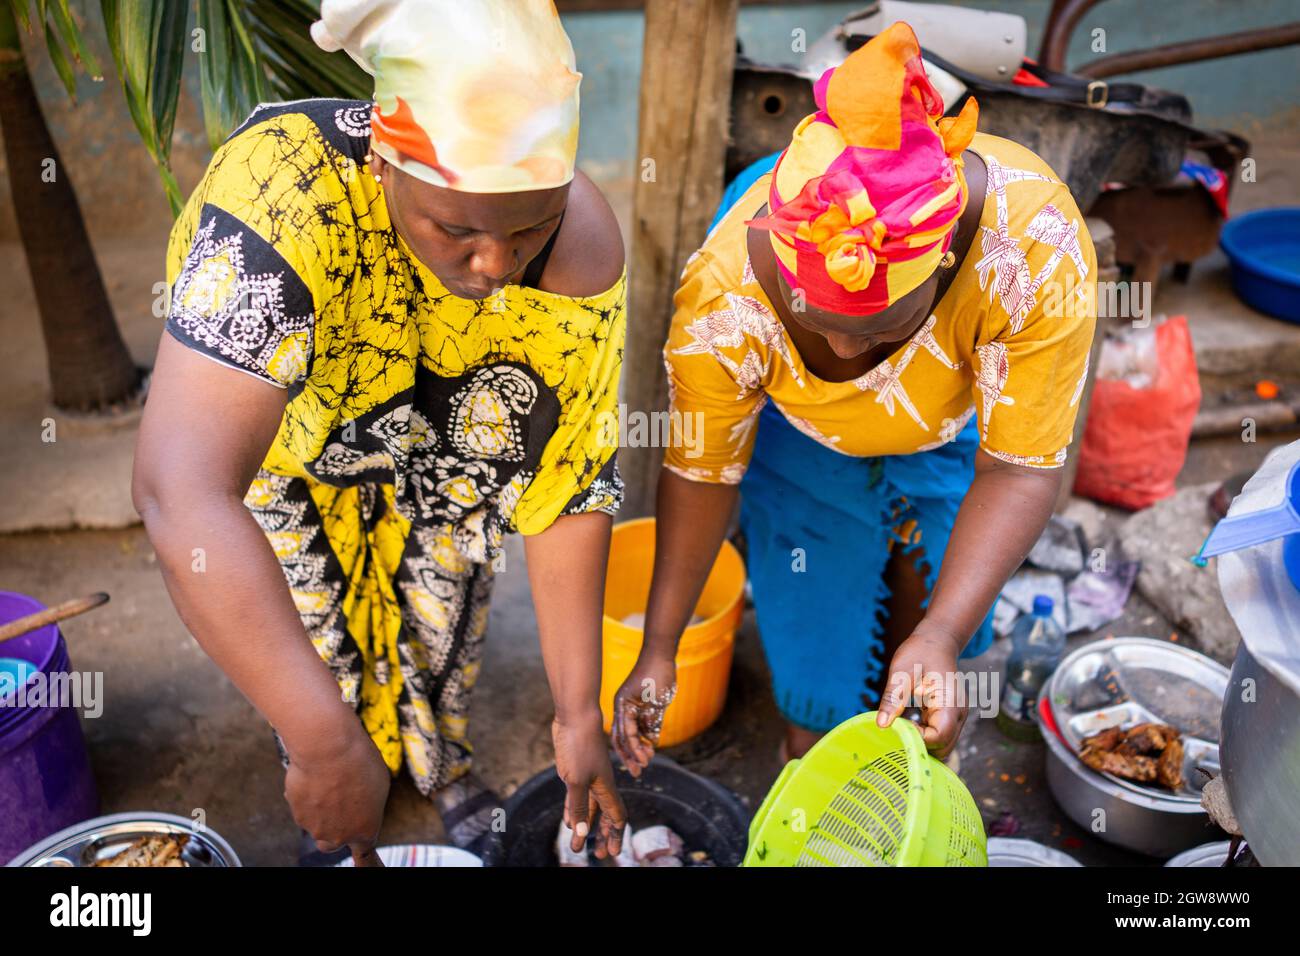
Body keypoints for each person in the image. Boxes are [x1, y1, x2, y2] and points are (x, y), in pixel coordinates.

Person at [132, 0, 628, 865]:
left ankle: (443, 768)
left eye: (527, 225)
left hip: (445, 446)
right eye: (458, 228)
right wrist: (322, 745)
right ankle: (335, 781)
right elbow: (182, 490)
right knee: (314, 643)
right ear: (384, 157)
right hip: (289, 448)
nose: (495, 266)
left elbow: (567, 481)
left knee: (448, 621)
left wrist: (578, 711)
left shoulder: (578, 249)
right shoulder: (278, 202)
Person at [612, 23, 1096, 773]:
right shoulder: (724, 298)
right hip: (801, 450)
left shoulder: (1030, 249)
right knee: (818, 689)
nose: (845, 354)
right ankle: (820, 763)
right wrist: (659, 647)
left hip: (951, 437)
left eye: (880, 330)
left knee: (931, 657)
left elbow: (1020, 470)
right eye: (818, 321)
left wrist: (938, 635)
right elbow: (703, 472)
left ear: (943, 265)